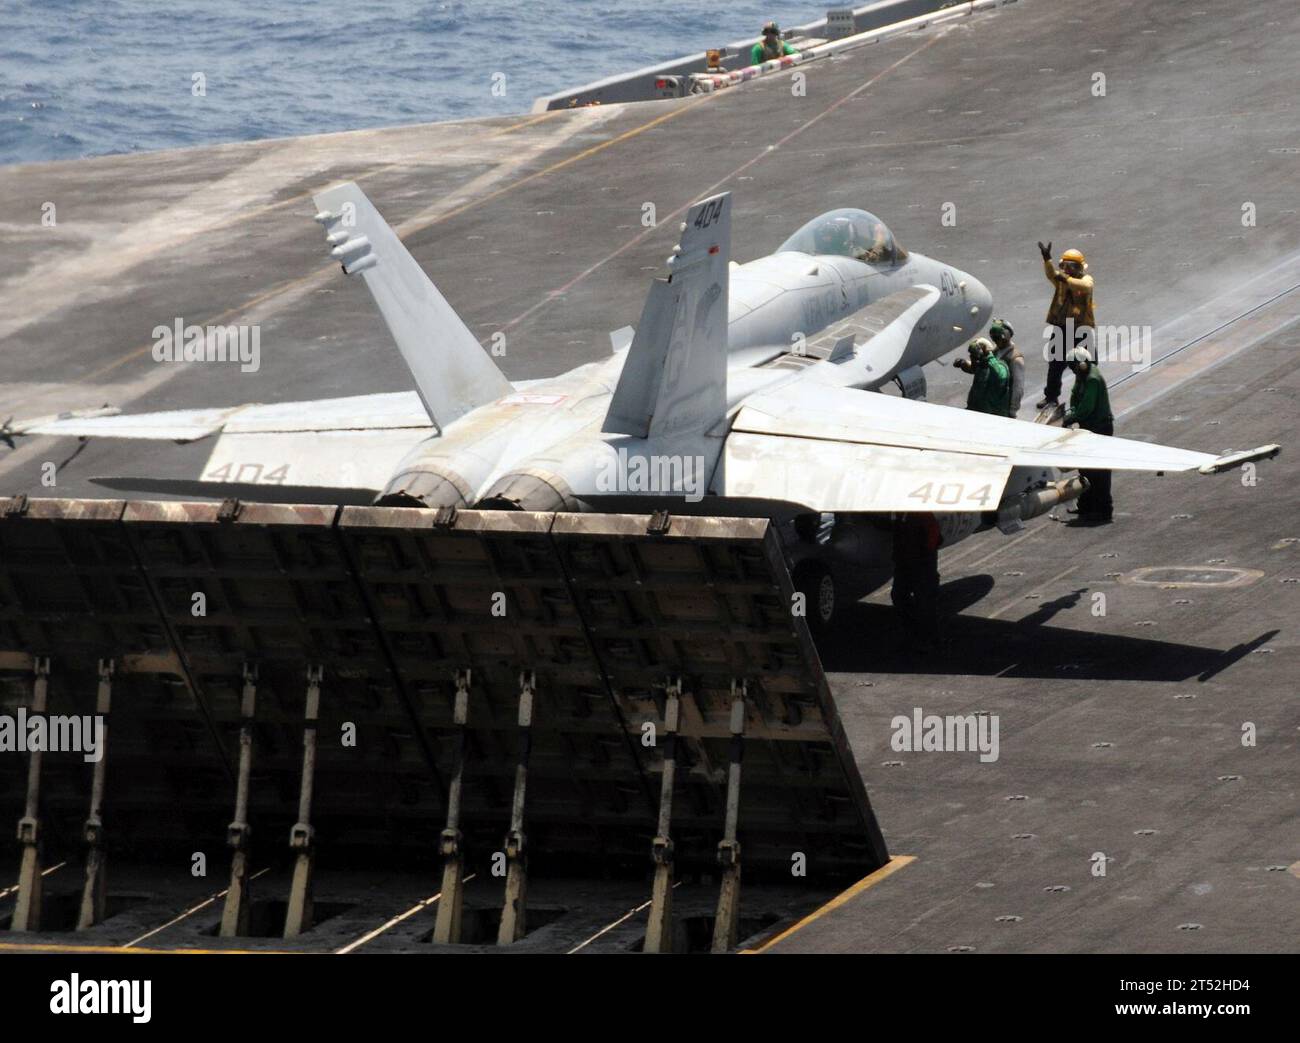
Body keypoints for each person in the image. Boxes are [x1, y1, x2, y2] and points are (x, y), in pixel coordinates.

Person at [1036, 243, 1096, 409]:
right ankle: (1051, 397)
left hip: (1080, 330)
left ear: (1078, 267)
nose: (1066, 269)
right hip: (1062, 328)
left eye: (1070, 266)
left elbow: (1087, 286)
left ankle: (1087, 396)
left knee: (1086, 366)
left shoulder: (1085, 280)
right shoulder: (1062, 282)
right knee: (1055, 364)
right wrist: (1047, 259)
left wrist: (1067, 279)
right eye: (1064, 266)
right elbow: (1051, 274)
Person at [1062, 346, 1114, 524]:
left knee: (1099, 472)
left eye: (1074, 366)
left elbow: (1087, 406)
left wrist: (1072, 417)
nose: (1073, 370)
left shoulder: (1092, 378)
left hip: (1100, 428)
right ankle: (1086, 505)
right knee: (1085, 469)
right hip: (1088, 427)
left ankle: (1103, 510)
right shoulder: (1082, 375)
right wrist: (1073, 412)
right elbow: (1076, 397)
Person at [891, 512, 942, 651]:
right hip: (906, 563)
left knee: (925, 602)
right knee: (899, 596)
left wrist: (924, 557)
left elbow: (933, 536)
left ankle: (928, 639)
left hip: (921, 565)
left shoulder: (921, 515)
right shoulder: (901, 515)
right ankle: (913, 633)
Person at [953, 337, 1011, 416]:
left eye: (975, 357)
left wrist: (988, 355)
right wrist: (963, 363)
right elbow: (973, 368)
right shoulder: (981, 365)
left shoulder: (1000, 366)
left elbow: (1001, 376)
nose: (973, 360)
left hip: (990, 413)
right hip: (975, 409)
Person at [988, 318, 1024, 416]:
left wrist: (1013, 410)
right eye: (994, 339)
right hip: (992, 402)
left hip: (1003, 406)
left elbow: (1018, 388)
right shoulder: (995, 351)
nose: (996, 342)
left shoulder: (1015, 359)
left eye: (998, 339)